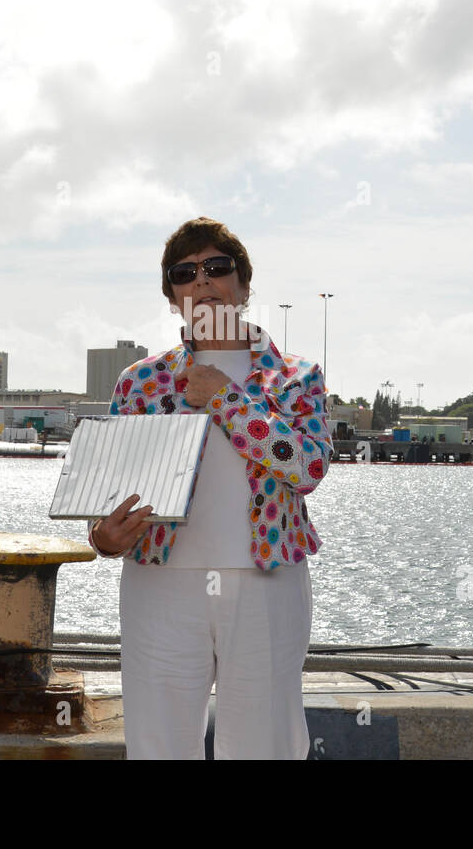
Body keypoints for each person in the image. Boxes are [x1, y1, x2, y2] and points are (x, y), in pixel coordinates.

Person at [89, 217, 332, 759]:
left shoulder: (296, 378)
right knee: (158, 747)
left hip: (266, 583)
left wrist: (228, 400)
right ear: (173, 298)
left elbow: (308, 468)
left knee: (264, 746)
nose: (201, 280)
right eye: (184, 273)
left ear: (244, 286)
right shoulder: (140, 382)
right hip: (160, 586)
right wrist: (104, 539)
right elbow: (104, 497)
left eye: (217, 267)